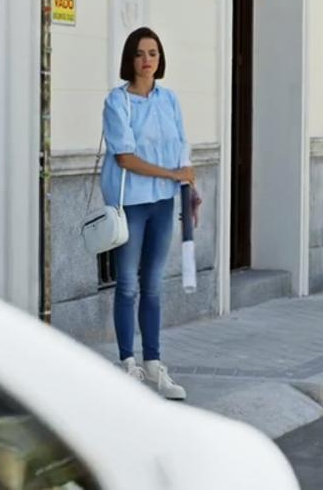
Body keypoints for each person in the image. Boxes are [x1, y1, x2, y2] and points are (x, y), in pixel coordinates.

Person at [101, 26, 193, 400]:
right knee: (127, 284)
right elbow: (125, 157)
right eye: (140, 53)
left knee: (153, 286)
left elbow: (181, 149)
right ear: (130, 59)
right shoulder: (117, 102)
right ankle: (128, 362)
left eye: (153, 53)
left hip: (164, 202)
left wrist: (190, 191)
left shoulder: (169, 100)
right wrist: (172, 174)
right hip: (131, 203)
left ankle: (154, 364)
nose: (147, 60)